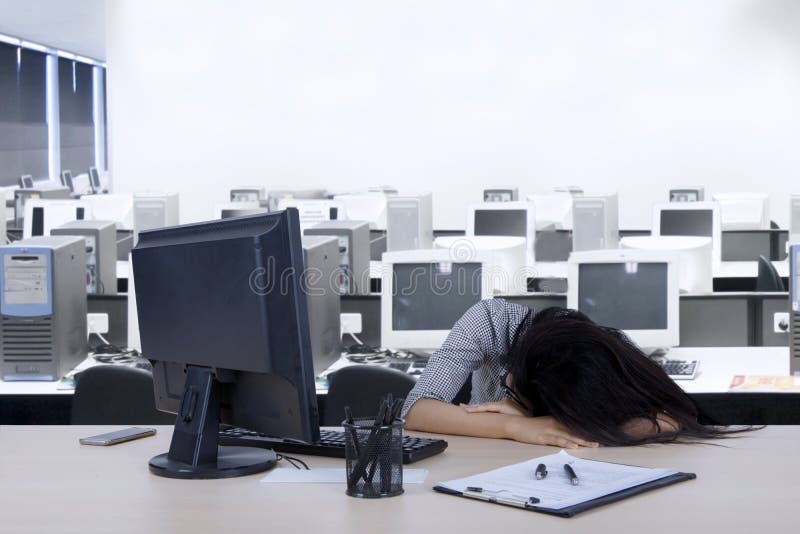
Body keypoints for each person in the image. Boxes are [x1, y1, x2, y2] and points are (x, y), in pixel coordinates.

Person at [401, 299, 745, 447]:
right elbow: (415, 411)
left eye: (516, 392)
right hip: (491, 461)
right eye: (508, 388)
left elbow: (671, 419)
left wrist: (565, 422)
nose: (506, 388)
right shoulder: (490, 321)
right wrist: (517, 424)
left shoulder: (601, 352)